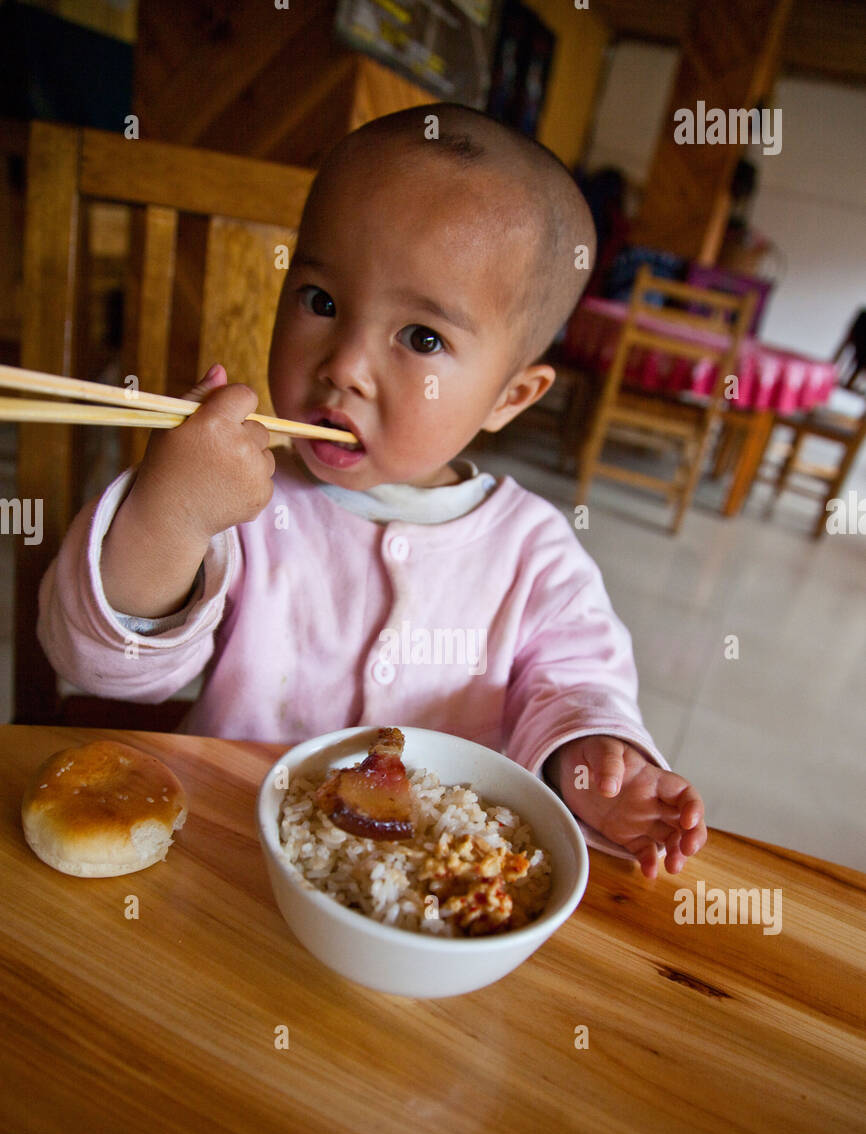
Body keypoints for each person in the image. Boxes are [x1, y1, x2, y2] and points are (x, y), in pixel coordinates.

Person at [38, 103, 707, 878]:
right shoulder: (244, 499)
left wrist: (593, 765)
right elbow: (92, 664)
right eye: (320, 300)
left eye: (422, 337)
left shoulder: (534, 553)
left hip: (428, 893)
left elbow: (577, 686)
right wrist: (174, 512)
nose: (344, 364)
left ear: (510, 398)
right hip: (225, 857)